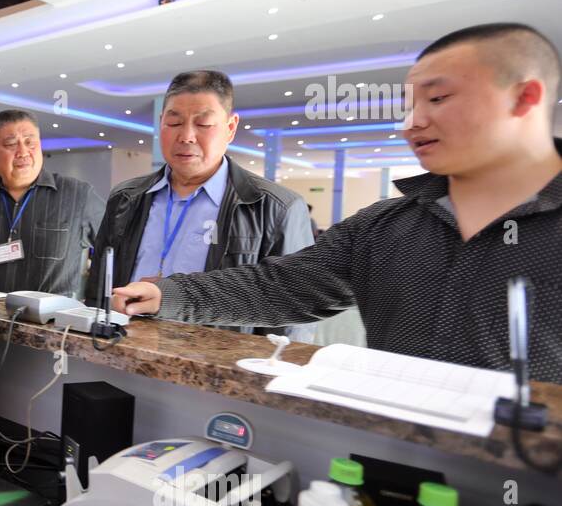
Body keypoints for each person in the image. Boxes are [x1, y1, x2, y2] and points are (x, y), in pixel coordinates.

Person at [112, 22, 562, 383]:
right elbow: (278, 287)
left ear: (525, 97)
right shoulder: (383, 227)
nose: (412, 122)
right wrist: (165, 293)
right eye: (411, 102)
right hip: (395, 463)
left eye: (439, 98)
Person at [91, 70, 314, 338]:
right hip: (124, 351)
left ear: (230, 128)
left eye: (204, 124)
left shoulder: (276, 208)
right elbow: (98, 287)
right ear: (160, 122)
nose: (186, 136)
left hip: (217, 367)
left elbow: (291, 317)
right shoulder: (126, 198)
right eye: (173, 124)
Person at [0, 110, 104, 298]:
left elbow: (117, 249)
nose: (23, 152)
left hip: (53, 324)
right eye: (11, 144)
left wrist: (96, 303)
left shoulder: (78, 195)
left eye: (30, 142)